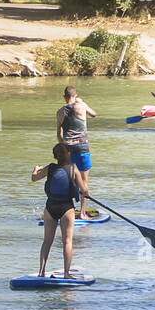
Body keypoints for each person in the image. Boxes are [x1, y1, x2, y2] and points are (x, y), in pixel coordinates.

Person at [30, 143, 83, 279]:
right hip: (66, 208)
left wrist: (35, 170)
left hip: (50, 207)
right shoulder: (73, 169)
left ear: (55, 156)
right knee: (67, 241)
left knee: (47, 241)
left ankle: (41, 272)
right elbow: (85, 190)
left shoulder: (50, 168)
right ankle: (66, 274)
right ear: (68, 154)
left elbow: (34, 178)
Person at [55, 85, 97, 219]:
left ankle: (67, 209)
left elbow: (59, 133)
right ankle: (83, 213)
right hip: (82, 147)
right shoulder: (82, 105)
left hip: (67, 148)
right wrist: (82, 102)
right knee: (84, 181)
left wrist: (63, 146)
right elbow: (94, 114)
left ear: (64, 97)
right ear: (75, 95)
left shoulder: (60, 112)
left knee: (69, 180)